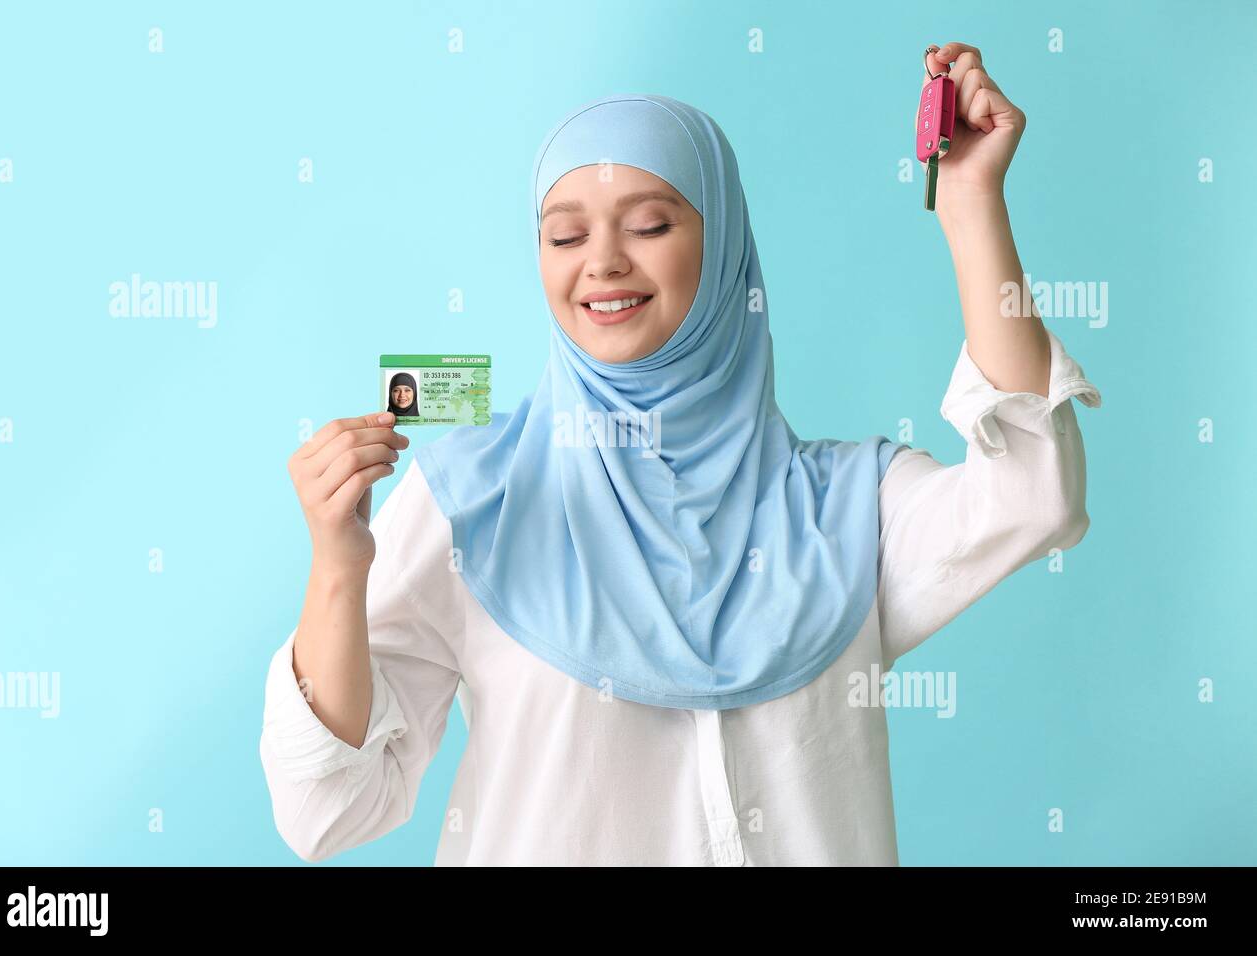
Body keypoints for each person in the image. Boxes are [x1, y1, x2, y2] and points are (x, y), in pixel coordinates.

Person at [261, 45, 1101, 865]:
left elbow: (1035, 496)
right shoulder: (476, 499)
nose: (602, 264)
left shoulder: (845, 508)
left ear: (726, 241)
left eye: (651, 223)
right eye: (563, 237)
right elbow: (327, 810)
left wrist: (970, 205)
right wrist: (338, 566)